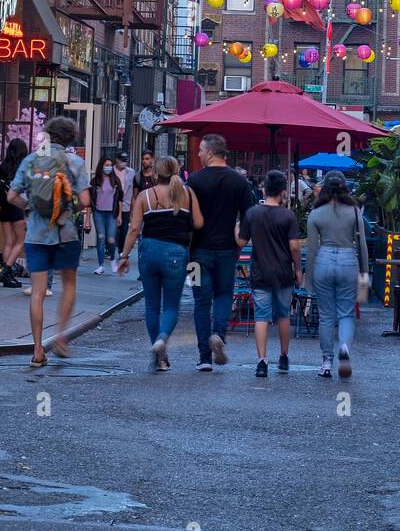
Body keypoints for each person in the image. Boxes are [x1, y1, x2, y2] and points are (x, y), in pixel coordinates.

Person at [7, 116, 91, 369]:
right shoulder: (75, 162)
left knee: (38, 292)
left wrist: (32, 208)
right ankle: (62, 337)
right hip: (65, 234)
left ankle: (37, 349)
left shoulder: (31, 160)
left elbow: (11, 195)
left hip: (36, 234)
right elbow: (85, 200)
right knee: (68, 285)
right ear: (69, 139)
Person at [118, 156, 202, 371]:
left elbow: (134, 228)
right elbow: (199, 223)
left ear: (155, 173)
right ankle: (163, 338)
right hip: (176, 252)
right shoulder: (187, 194)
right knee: (172, 305)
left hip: (149, 251)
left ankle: (160, 354)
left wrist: (124, 256)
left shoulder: (145, 196)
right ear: (177, 171)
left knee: (152, 306)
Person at [186, 133, 254, 371]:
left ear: (211, 153)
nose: (199, 154)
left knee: (200, 301)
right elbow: (250, 215)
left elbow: (185, 216)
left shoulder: (194, 181)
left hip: (196, 253)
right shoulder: (239, 182)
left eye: (201, 151)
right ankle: (219, 335)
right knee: (224, 294)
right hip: (228, 250)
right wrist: (241, 241)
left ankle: (204, 356)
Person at [237, 169, 303, 377]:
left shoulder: (253, 213)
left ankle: (262, 361)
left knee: (261, 317)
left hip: (260, 272)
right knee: (283, 315)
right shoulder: (288, 215)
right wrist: (298, 270)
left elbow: (241, 242)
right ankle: (283, 357)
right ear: (283, 190)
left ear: (264, 188)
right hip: (283, 272)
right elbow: (294, 247)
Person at [306, 169, 369, 379]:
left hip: (323, 260)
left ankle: (326, 362)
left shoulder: (315, 214)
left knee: (325, 316)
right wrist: (364, 272)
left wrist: (308, 279)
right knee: (346, 313)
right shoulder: (354, 211)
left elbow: (312, 249)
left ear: (324, 188)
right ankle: (344, 348)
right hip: (348, 260)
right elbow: (361, 243)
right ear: (344, 187)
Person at [0, 138, 28, 288]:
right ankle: (7, 271)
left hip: (5, 205)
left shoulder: (4, 165)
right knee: (20, 241)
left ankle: (7, 274)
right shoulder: (23, 167)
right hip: (16, 204)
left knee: (8, 242)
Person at [89, 153, 123, 275]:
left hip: (111, 213)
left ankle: (113, 259)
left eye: (110, 165)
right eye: (106, 165)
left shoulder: (115, 180)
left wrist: (119, 215)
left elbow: (120, 199)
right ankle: (100, 265)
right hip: (98, 212)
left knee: (111, 239)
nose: (109, 167)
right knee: (101, 237)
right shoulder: (95, 181)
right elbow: (89, 200)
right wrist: (88, 218)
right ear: (101, 166)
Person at [113, 152, 136, 258]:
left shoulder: (131, 172)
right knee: (112, 227)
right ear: (117, 160)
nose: (123, 163)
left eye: (125, 161)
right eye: (121, 160)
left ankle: (121, 249)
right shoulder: (111, 171)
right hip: (113, 203)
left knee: (124, 228)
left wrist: (132, 206)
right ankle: (110, 248)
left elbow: (132, 190)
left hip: (126, 203)